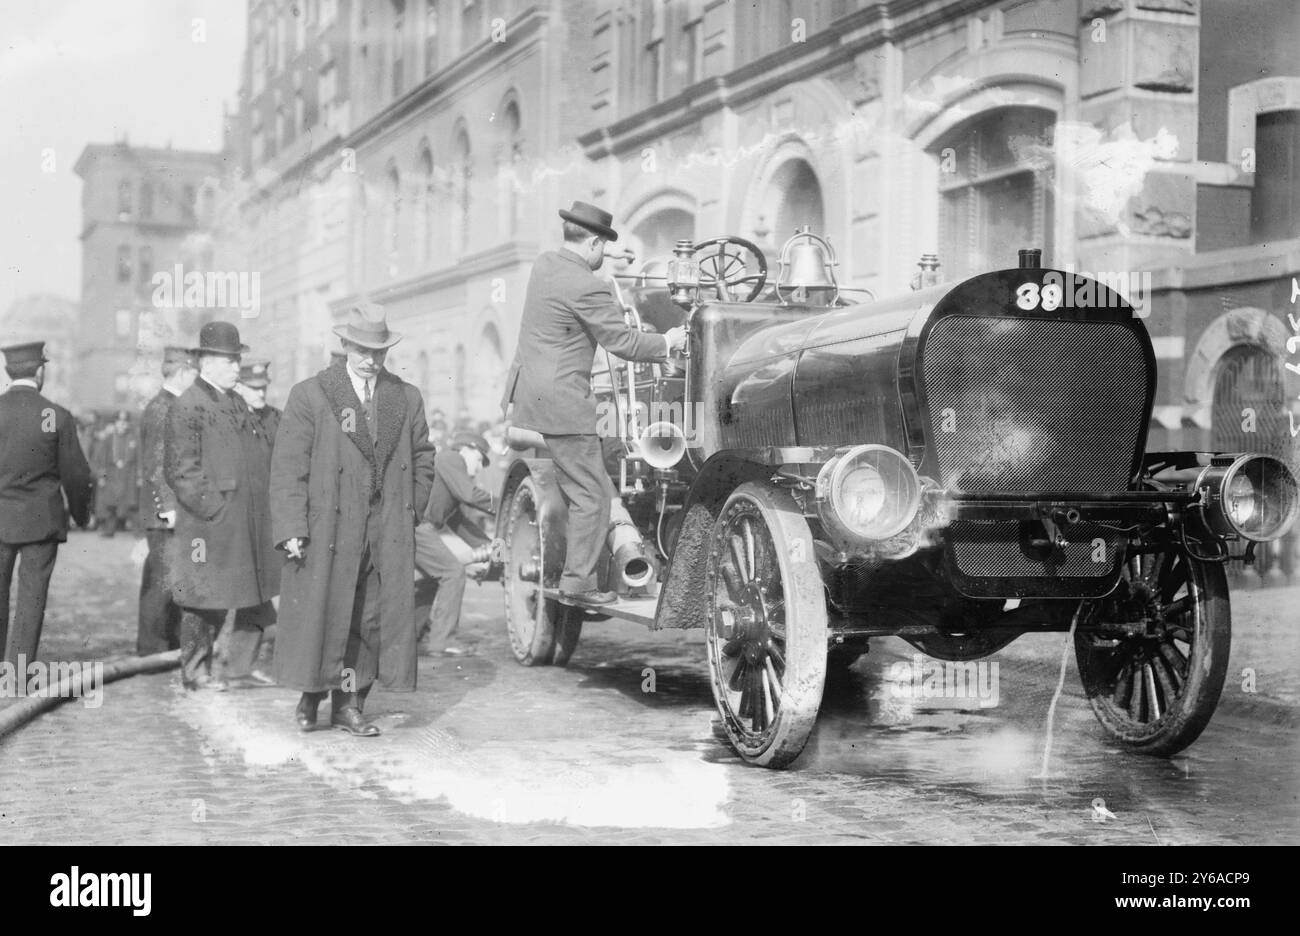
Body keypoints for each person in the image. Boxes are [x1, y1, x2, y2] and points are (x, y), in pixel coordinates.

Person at [500, 201, 686, 605]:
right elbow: (623, 342)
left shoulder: (547, 264)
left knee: (586, 487)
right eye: (604, 248)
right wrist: (669, 341)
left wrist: (607, 255)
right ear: (595, 242)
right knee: (593, 495)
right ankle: (578, 585)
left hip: (534, 394)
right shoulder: (589, 287)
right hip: (564, 404)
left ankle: (580, 577)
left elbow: (580, 262)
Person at [271, 303, 436, 736]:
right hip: (329, 526)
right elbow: (289, 466)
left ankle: (349, 704)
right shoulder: (312, 395)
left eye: (378, 351)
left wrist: (410, 508)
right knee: (323, 612)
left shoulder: (404, 396)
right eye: (361, 350)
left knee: (370, 617)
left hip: (384, 529)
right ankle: (310, 697)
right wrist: (291, 526)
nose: (370, 360)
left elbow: (423, 457)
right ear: (344, 346)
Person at [164, 321, 279, 691]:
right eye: (229, 361)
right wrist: (215, 510)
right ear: (206, 362)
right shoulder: (189, 405)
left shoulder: (232, 401)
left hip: (240, 520)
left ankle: (234, 668)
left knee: (252, 594)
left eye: (236, 360)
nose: (235, 367)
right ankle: (196, 672)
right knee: (203, 598)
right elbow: (182, 471)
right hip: (209, 524)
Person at [0, 341, 93, 667]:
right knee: (31, 597)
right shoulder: (55, 416)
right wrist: (83, 515)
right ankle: (17, 673)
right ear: (40, 371)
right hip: (41, 520)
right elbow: (77, 475)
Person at [136, 346, 197, 656]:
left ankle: (163, 646)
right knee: (161, 583)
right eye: (194, 372)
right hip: (164, 513)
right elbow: (157, 465)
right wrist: (169, 508)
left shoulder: (169, 405)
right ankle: (154, 650)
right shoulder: (164, 408)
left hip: (164, 511)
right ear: (184, 372)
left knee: (165, 579)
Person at [413, 431, 495, 656]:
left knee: (432, 579)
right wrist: (503, 503)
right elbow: (468, 495)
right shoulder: (450, 458)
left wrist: (492, 547)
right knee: (453, 573)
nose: (479, 468)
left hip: (415, 526)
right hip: (417, 527)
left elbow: (458, 521)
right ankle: (443, 642)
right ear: (465, 450)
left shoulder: (447, 472)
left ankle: (412, 637)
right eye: (479, 460)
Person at [93, 410, 138, 536]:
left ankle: (137, 530)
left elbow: (138, 457)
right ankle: (109, 529)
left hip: (129, 474)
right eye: (119, 422)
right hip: (112, 473)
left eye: (124, 422)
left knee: (131, 502)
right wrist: (102, 475)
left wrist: (139, 475)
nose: (122, 425)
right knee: (110, 503)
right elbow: (102, 458)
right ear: (115, 423)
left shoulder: (133, 438)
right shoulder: (109, 439)